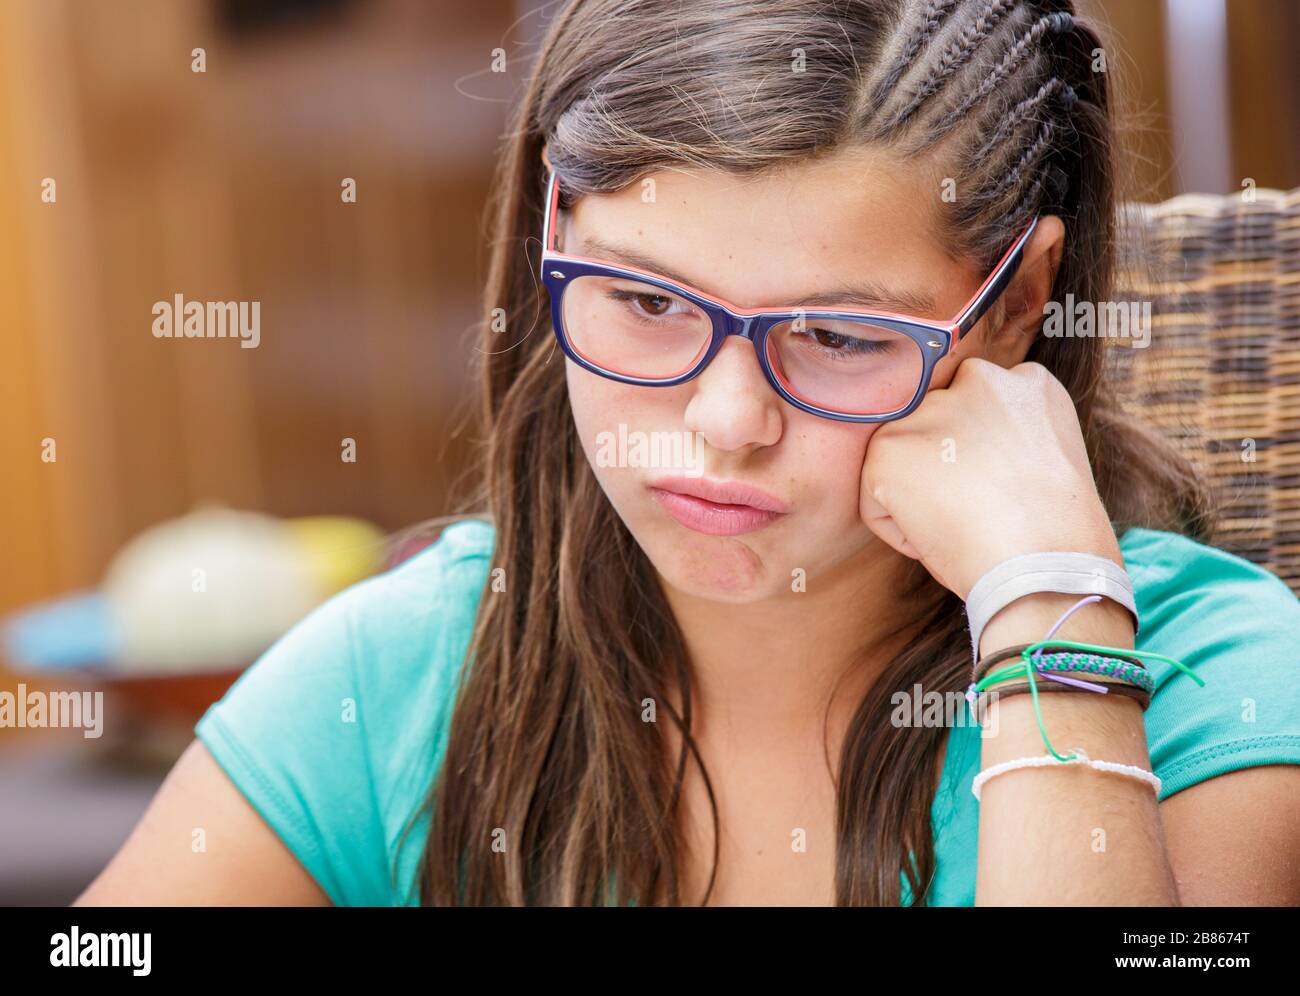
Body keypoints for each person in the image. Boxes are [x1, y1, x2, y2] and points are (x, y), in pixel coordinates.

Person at [78, 0, 1300, 907]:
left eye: (834, 333)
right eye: (646, 302)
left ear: (1019, 298)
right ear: (550, 229)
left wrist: (1051, 612)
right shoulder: (407, 676)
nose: (724, 422)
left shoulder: (1213, 686)